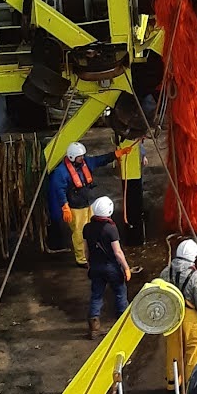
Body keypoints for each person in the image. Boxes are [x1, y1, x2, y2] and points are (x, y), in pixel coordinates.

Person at [46, 140, 120, 264]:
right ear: (72, 157)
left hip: (88, 202)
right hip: (76, 206)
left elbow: (99, 160)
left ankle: (94, 251)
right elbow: (59, 190)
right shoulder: (61, 172)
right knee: (79, 233)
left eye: (82, 156)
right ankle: (81, 259)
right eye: (79, 156)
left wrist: (115, 155)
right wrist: (65, 206)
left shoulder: (85, 163)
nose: (82, 158)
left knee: (94, 228)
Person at [163, 237, 197, 393]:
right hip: (190, 317)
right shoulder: (195, 276)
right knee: (193, 353)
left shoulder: (165, 272)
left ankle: (172, 383)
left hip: (172, 317)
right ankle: (191, 385)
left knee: (173, 350)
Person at [83, 196, 131, 339]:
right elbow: (118, 252)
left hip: (96, 266)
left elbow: (86, 250)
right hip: (111, 267)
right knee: (120, 292)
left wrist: (89, 264)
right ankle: (123, 323)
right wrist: (126, 268)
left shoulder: (87, 228)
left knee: (96, 295)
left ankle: (94, 327)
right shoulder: (111, 229)